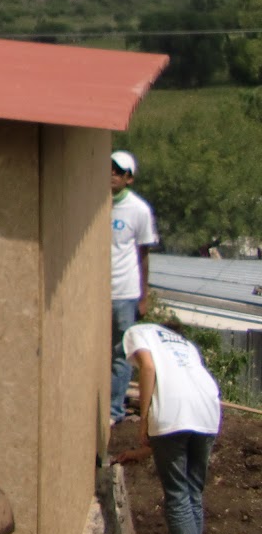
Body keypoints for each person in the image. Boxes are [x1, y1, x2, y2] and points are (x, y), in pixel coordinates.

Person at [112, 321, 221, 534]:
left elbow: (148, 367)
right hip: (208, 412)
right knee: (192, 492)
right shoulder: (184, 344)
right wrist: (140, 452)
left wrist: (144, 417)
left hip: (175, 413)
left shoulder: (138, 332)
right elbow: (176, 434)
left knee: (177, 496)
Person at [109, 149, 158, 424]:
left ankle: (113, 411)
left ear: (129, 178)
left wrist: (143, 295)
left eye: (119, 171)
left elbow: (144, 254)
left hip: (125, 292)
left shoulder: (139, 210)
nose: (112, 175)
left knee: (121, 352)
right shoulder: (94, 204)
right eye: (110, 169)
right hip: (94, 292)